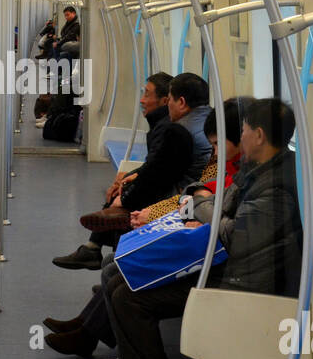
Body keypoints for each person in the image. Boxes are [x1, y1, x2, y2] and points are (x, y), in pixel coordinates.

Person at [99, 97, 302, 359]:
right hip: (228, 264)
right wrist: (204, 206)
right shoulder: (260, 169)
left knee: (130, 297)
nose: (242, 134)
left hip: (241, 279)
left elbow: (235, 235)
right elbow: (217, 205)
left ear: (260, 135)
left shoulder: (277, 185)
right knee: (119, 275)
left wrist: (203, 209)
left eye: (246, 129)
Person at [44, 98, 244, 359]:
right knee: (118, 263)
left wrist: (158, 212)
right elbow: (195, 195)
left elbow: (199, 201)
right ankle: (86, 326)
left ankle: (88, 331)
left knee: (123, 267)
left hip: (209, 247)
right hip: (198, 230)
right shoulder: (223, 159)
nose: (213, 151)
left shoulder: (230, 169)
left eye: (217, 145)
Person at [51, 71, 211, 269]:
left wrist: (127, 196)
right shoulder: (209, 121)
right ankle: (102, 252)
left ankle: (116, 262)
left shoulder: (178, 131)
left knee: (129, 200)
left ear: (181, 102)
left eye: (170, 99)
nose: (143, 100)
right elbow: (161, 167)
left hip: (184, 198)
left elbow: (159, 176)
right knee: (129, 184)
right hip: (196, 193)